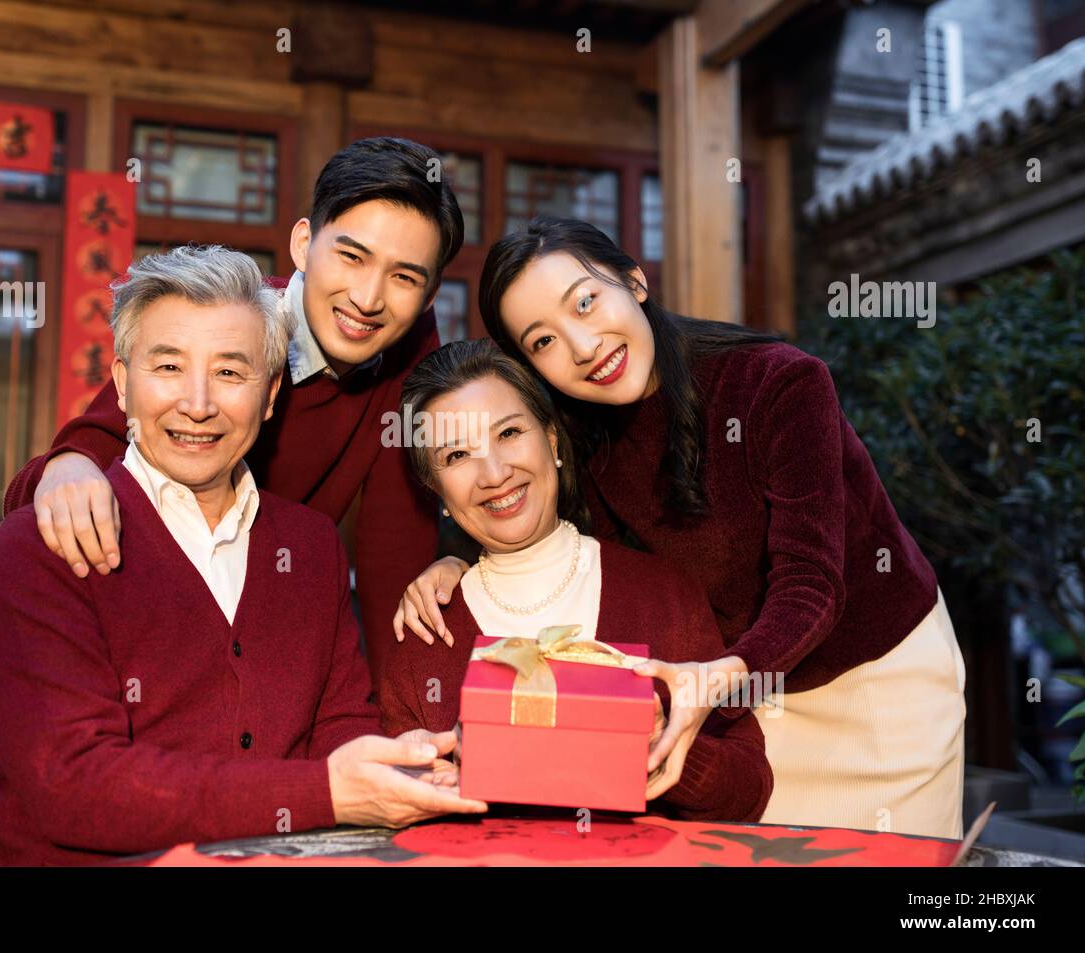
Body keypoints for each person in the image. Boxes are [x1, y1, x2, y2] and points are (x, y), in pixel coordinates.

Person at [394, 217, 967, 839]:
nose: (583, 346)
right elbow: (521, 511)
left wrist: (722, 675)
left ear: (634, 280)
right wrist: (456, 560)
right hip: (734, 701)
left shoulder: (780, 383)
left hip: (874, 677)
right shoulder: (581, 436)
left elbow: (811, 584)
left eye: (586, 302)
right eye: (543, 341)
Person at [0, 246, 485, 865]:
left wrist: (395, 771)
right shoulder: (42, 543)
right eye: (168, 367)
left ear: (270, 395)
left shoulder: (308, 545)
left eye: (230, 373)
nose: (197, 404)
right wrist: (328, 792)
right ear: (122, 384)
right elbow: (73, 786)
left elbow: (340, 725)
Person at [2, 137, 464, 681]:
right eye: (351, 256)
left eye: (404, 277)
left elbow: (395, 555)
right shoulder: (233, 320)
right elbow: (91, 443)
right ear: (303, 243)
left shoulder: (406, 351)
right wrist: (67, 465)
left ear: (430, 293)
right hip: (147, 607)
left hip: (269, 621)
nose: (368, 298)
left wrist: (413, 724)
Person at [380, 338, 772, 823]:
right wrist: (409, 788)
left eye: (508, 433)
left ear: (550, 440)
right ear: (435, 489)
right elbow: (396, 821)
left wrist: (665, 749)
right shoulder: (425, 635)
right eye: (457, 455)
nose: (495, 473)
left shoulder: (663, 594)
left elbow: (750, 789)